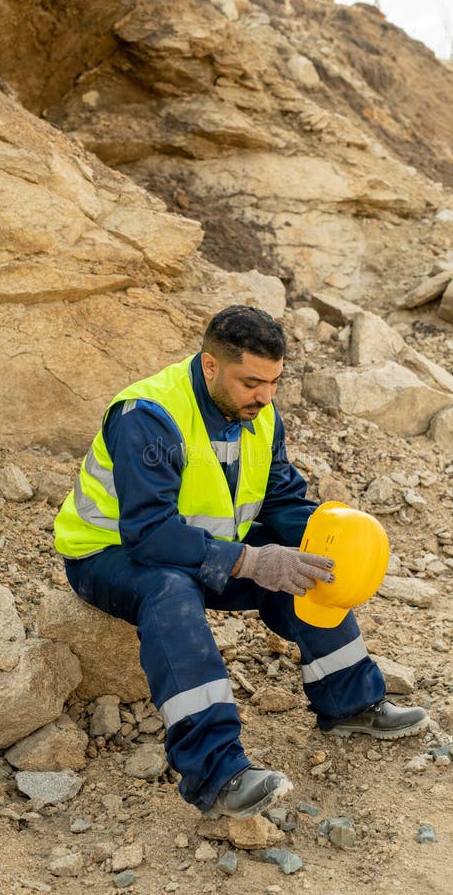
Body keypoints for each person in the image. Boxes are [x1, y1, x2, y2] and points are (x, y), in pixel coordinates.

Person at [54, 305, 428, 820]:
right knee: (171, 593)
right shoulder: (147, 415)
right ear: (210, 366)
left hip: (209, 549)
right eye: (252, 381)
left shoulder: (258, 412)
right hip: (109, 556)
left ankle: (350, 703)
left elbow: (279, 502)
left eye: (273, 382)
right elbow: (149, 536)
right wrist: (251, 561)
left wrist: (339, 539)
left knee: (304, 562)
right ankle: (216, 772)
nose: (265, 396)